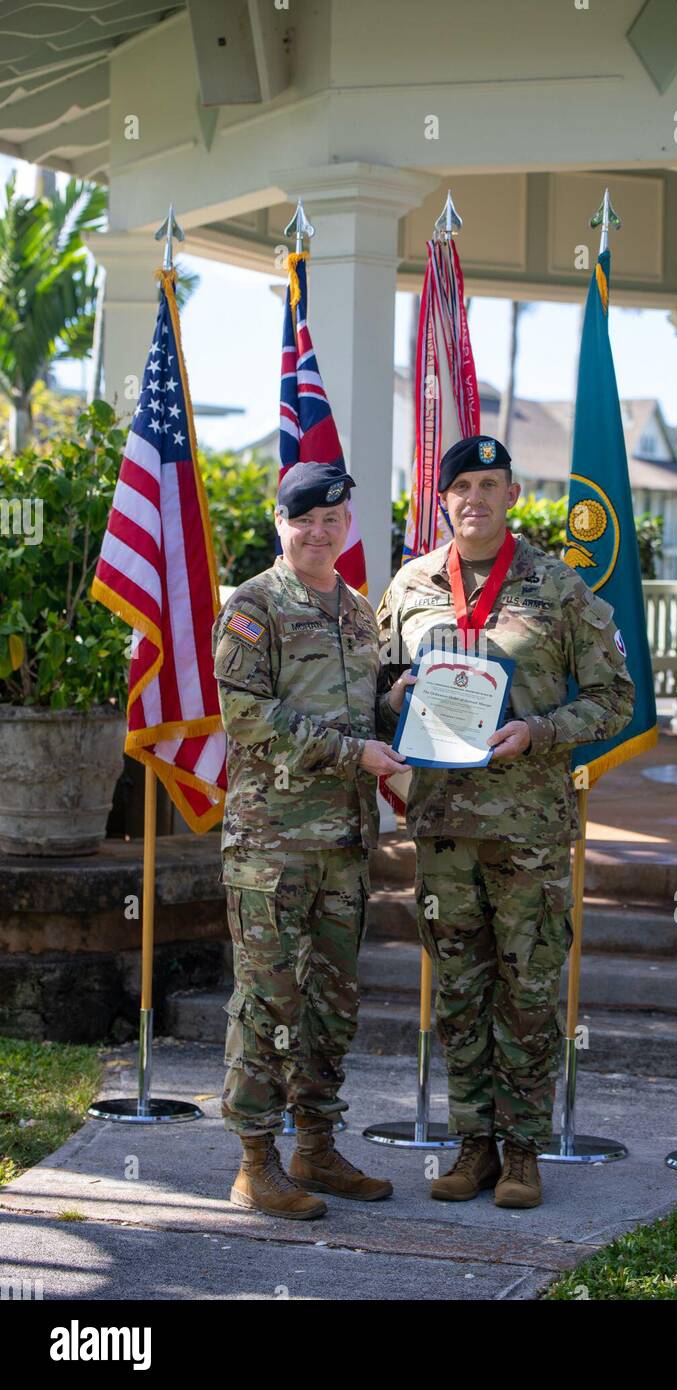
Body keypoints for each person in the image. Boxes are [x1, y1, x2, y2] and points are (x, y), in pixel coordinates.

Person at [377, 435, 635, 1209]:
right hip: (444, 827)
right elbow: (380, 681)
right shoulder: (412, 585)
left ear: (513, 496)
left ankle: (524, 1152)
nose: (475, 499)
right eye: (462, 486)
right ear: (443, 497)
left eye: (491, 485)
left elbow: (615, 699)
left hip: (529, 828)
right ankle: (472, 1146)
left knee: (527, 989)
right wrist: (395, 698)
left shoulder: (561, 590)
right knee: (458, 989)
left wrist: (540, 731)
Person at [213, 461, 406, 1220]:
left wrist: (399, 705)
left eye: (332, 519)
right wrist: (350, 750)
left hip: (344, 844)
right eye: (304, 519)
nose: (319, 532)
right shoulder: (253, 607)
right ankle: (255, 1163)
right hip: (273, 843)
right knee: (268, 1001)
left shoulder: (360, 612)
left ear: (347, 525)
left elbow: (366, 721)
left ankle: (315, 1148)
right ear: (279, 522)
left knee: (331, 1004)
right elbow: (248, 720)